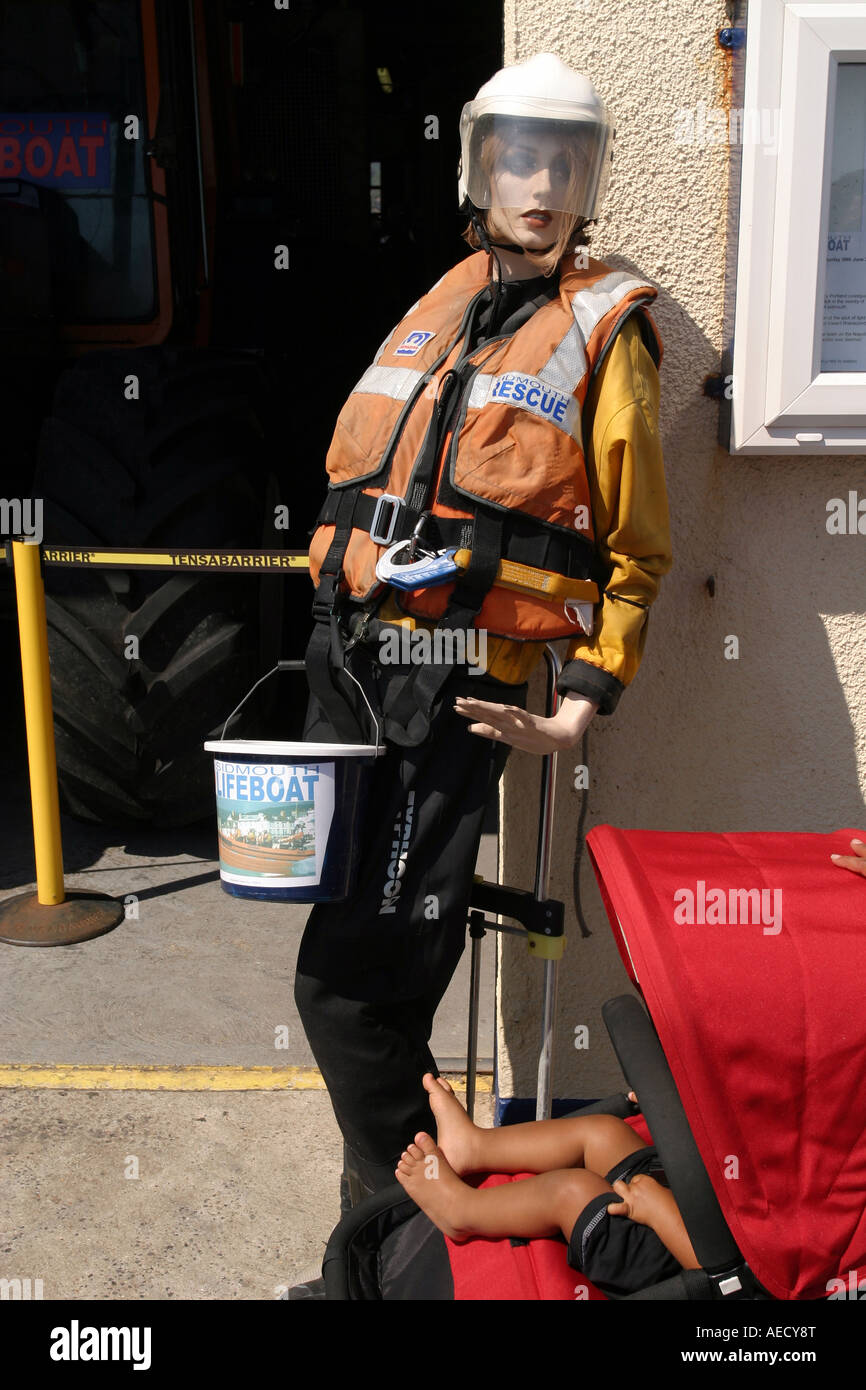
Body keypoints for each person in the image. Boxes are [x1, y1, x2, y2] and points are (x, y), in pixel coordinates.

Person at [296, 52, 673, 1204]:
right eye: (519, 156)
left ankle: (413, 1219)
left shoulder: (609, 331)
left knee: (356, 990)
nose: (541, 183)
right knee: (355, 975)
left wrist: (583, 698)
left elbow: (639, 549)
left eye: (565, 160)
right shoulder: (445, 302)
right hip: (349, 671)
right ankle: (398, 1228)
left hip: (456, 689)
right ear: (478, 165)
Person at [395, 1074, 698, 1298]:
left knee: (574, 1191)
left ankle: (460, 1210)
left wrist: (660, 1212)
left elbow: (741, 1277)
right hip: (693, 1205)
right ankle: (474, 1147)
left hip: (681, 1262)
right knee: (605, 1133)